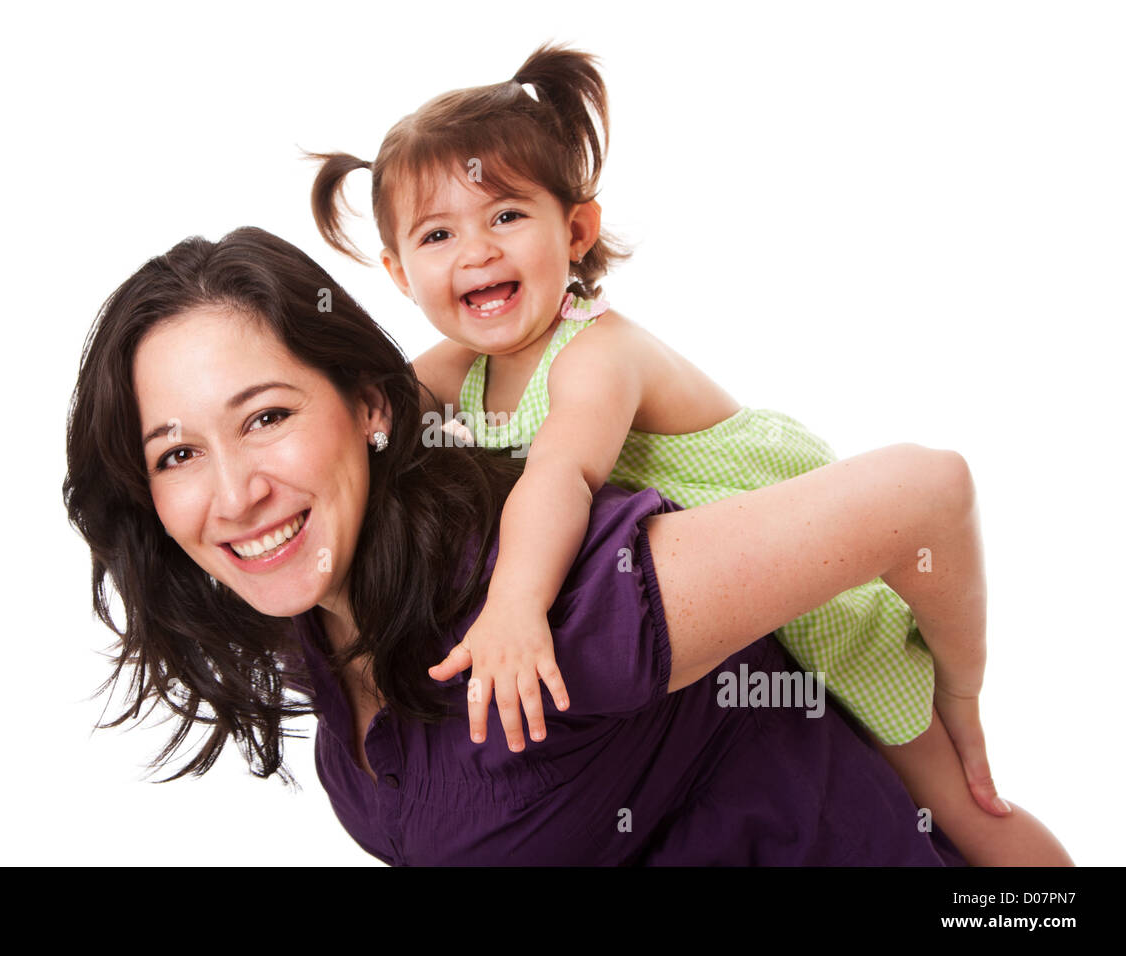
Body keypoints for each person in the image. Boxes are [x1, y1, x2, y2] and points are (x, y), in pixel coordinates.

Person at [63, 226, 1071, 865]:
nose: (236, 491)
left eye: (269, 416)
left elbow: (925, 492)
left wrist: (960, 693)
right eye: (179, 451)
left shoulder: (572, 605)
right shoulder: (316, 612)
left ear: (370, 405)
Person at [306, 42, 1069, 864]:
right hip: (723, 619)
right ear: (396, 272)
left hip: (819, 589)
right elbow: (364, 417)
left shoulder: (596, 353)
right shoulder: (462, 369)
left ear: (576, 228)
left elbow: (561, 474)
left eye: (506, 217)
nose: (477, 251)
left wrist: (515, 606)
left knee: (954, 798)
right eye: (437, 234)